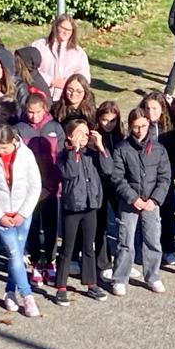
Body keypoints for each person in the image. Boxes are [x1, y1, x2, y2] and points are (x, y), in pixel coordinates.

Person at [0, 123, 42, 316]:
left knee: (18, 253)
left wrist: (23, 213)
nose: (0, 151)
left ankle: (9, 292)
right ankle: (28, 295)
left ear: (14, 141)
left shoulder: (26, 154)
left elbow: (35, 185)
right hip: (2, 214)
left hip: (23, 212)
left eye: (4, 148)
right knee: (14, 254)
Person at [110, 107, 171, 296]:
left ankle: (152, 275)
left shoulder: (159, 149)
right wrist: (133, 198)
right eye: (136, 127)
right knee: (125, 241)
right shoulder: (122, 148)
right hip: (129, 202)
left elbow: (165, 177)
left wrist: (155, 199)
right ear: (130, 127)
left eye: (144, 126)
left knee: (152, 240)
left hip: (151, 202)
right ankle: (120, 277)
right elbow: (117, 178)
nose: (140, 130)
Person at [53, 119, 110, 307]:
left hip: (91, 205)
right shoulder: (65, 155)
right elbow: (70, 173)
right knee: (68, 247)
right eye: (79, 132)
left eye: (86, 133)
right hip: (72, 206)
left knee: (89, 246)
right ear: (70, 135)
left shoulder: (93, 154)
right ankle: (61, 286)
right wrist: (75, 150)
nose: (84, 137)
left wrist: (101, 147)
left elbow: (108, 169)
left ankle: (90, 283)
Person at [16, 92, 63, 286]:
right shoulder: (19, 128)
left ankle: (50, 262)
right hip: (28, 190)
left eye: (37, 112)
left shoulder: (54, 128)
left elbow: (60, 160)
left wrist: (50, 186)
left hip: (51, 188)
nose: (33, 116)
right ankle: (36, 262)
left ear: (44, 109)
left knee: (51, 227)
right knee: (33, 227)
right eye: (30, 112)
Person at [140, 92, 175, 264]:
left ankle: (168, 248)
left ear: (162, 109)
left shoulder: (172, 128)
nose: (151, 112)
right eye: (148, 108)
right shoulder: (142, 125)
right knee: (145, 216)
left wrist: (172, 174)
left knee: (167, 214)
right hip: (145, 179)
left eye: (155, 108)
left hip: (165, 179)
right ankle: (145, 249)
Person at [30, 15, 92, 102]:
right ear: (56, 27)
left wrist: (69, 84)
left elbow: (84, 76)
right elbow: (29, 69)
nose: (65, 32)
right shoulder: (39, 45)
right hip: (40, 96)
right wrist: (51, 81)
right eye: (63, 28)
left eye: (69, 30)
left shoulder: (78, 52)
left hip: (65, 98)